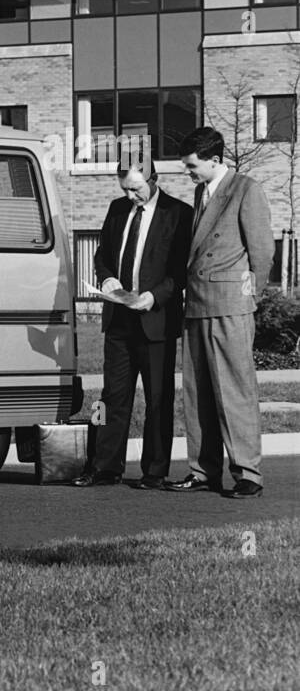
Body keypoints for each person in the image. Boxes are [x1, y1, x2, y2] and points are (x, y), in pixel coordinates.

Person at [167, 127, 273, 498]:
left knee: (235, 393)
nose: (188, 172)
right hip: (196, 304)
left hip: (230, 307)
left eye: (192, 165)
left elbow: (262, 253)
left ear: (214, 160)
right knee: (197, 395)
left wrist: (248, 299)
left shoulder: (247, 189)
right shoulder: (200, 192)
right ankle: (202, 471)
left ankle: (248, 473)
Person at [72, 160, 192, 489]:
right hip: (119, 318)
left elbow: (181, 271)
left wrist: (154, 296)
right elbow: (101, 255)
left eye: (136, 188)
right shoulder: (117, 208)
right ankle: (105, 467)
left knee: (158, 398)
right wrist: (107, 278)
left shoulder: (179, 213)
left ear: (154, 179)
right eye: (125, 188)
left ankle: (155, 472)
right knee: (111, 398)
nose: (131, 195)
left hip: (156, 319)